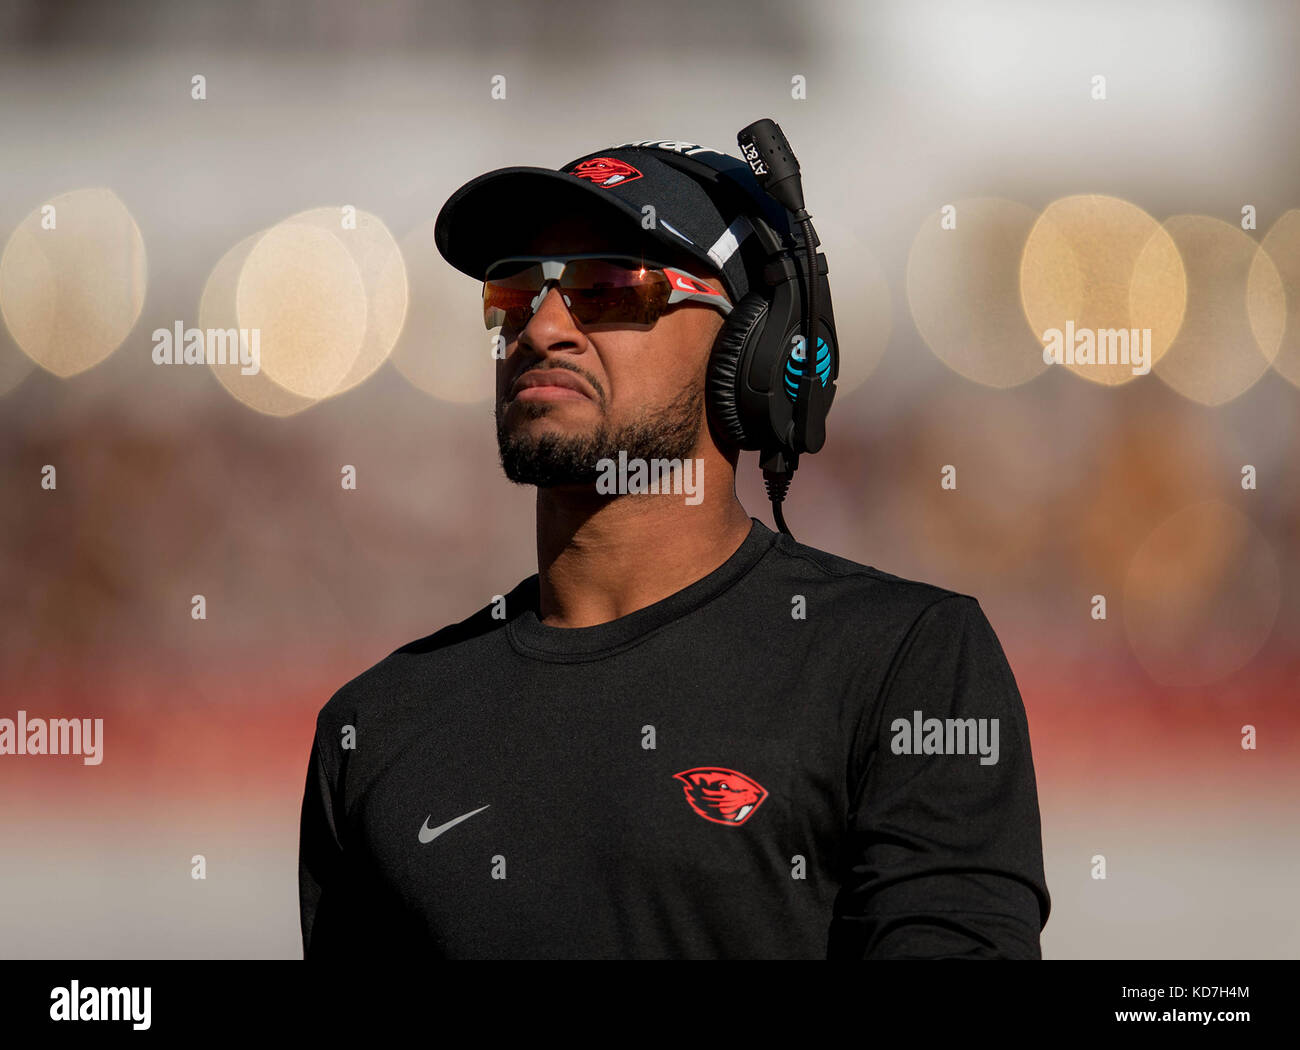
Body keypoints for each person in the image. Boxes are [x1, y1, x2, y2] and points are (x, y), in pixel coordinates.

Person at [297, 138, 1051, 959]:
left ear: (756, 350)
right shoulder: (374, 726)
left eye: (611, 287)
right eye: (517, 290)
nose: (544, 328)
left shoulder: (906, 665)